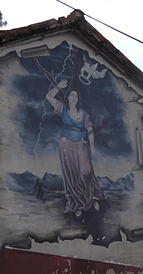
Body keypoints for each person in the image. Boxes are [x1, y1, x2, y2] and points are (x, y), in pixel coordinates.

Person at [45, 79, 106, 216]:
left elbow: (89, 130)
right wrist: (58, 87)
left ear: (78, 98)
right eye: (71, 95)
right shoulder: (63, 109)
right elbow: (48, 97)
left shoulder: (85, 114)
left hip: (81, 144)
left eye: (76, 96)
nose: (74, 97)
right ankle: (77, 203)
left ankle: (91, 197)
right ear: (67, 97)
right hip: (66, 144)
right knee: (71, 174)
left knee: (86, 171)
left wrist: (93, 147)